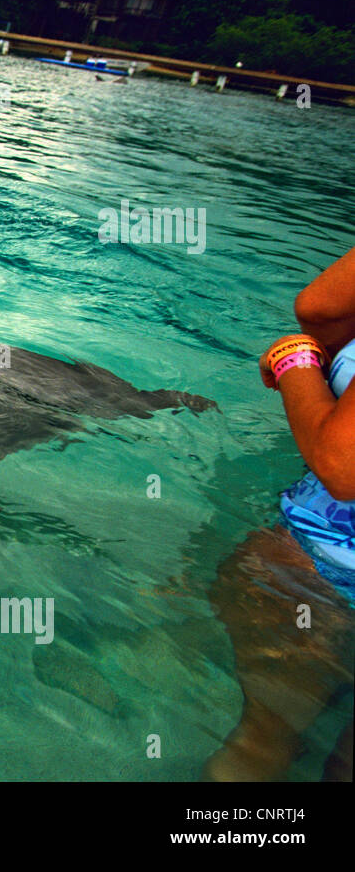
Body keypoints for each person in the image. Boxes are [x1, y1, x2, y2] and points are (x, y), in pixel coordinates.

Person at [204, 246, 355, 780]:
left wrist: (294, 361)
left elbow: (343, 464)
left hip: (325, 560)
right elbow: (319, 306)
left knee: (260, 746)